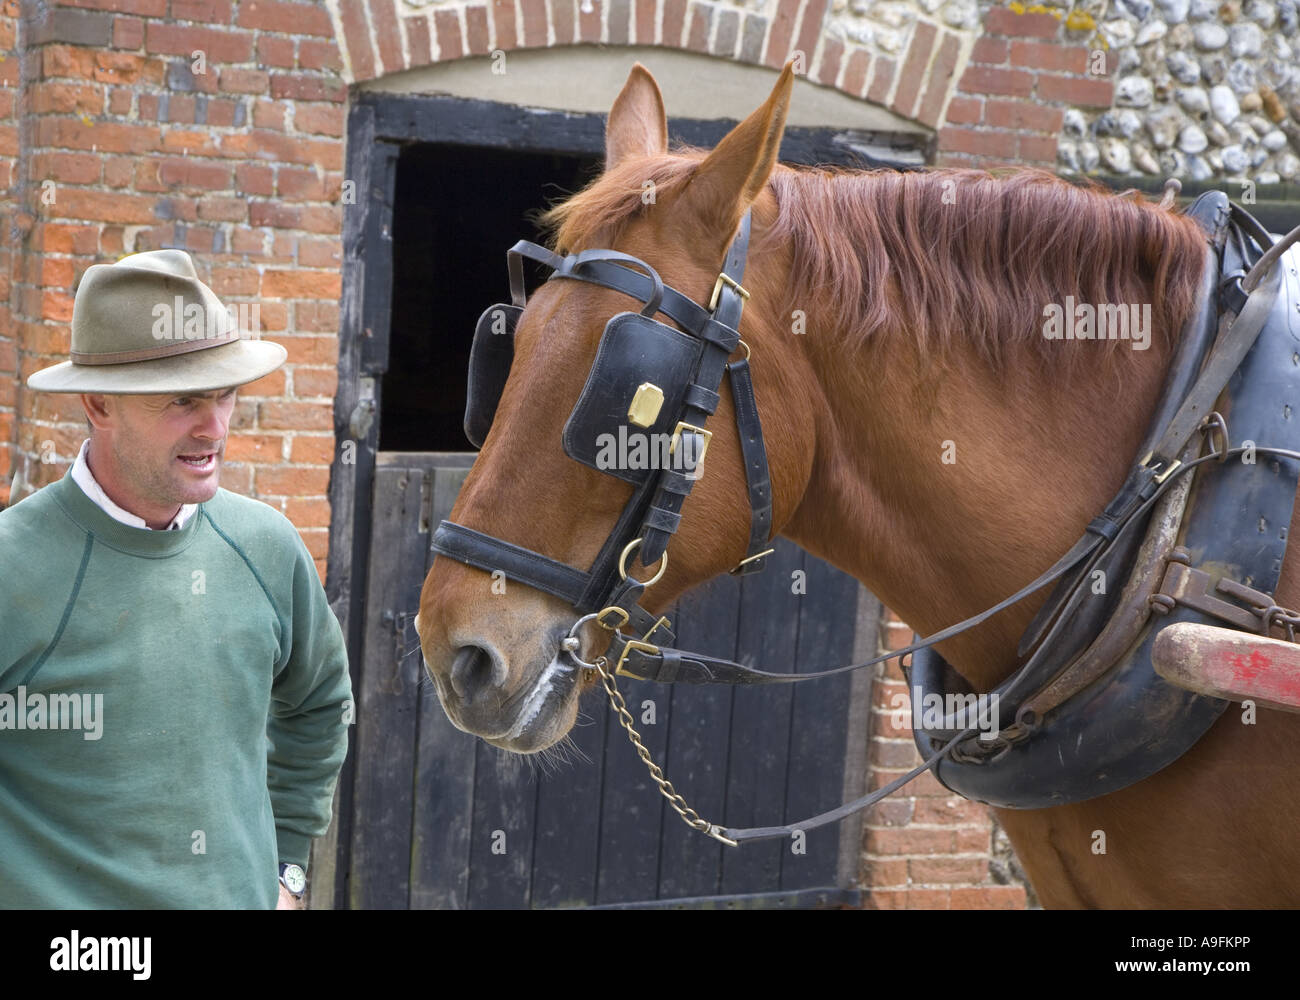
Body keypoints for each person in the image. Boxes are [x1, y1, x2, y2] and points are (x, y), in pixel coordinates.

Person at [0, 249, 352, 908]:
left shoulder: (265, 547)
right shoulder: (12, 567)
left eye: (224, 394)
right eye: (182, 399)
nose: (213, 426)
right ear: (98, 402)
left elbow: (320, 703)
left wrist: (289, 870)